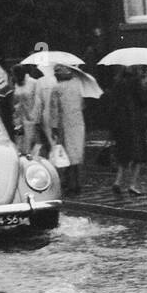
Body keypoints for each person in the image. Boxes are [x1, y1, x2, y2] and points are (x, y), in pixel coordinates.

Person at [102, 66, 147, 197]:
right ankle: (132, 184)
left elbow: (112, 105)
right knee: (138, 156)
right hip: (134, 123)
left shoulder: (117, 83)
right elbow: (143, 101)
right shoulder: (136, 82)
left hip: (120, 125)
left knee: (124, 154)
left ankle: (117, 181)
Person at [48, 63, 88, 195]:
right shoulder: (77, 85)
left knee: (67, 155)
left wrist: (53, 127)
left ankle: (70, 184)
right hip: (78, 123)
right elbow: (82, 105)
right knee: (77, 154)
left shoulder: (56, 88)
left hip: (64, 124)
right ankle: (78, 183)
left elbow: (53, 109)